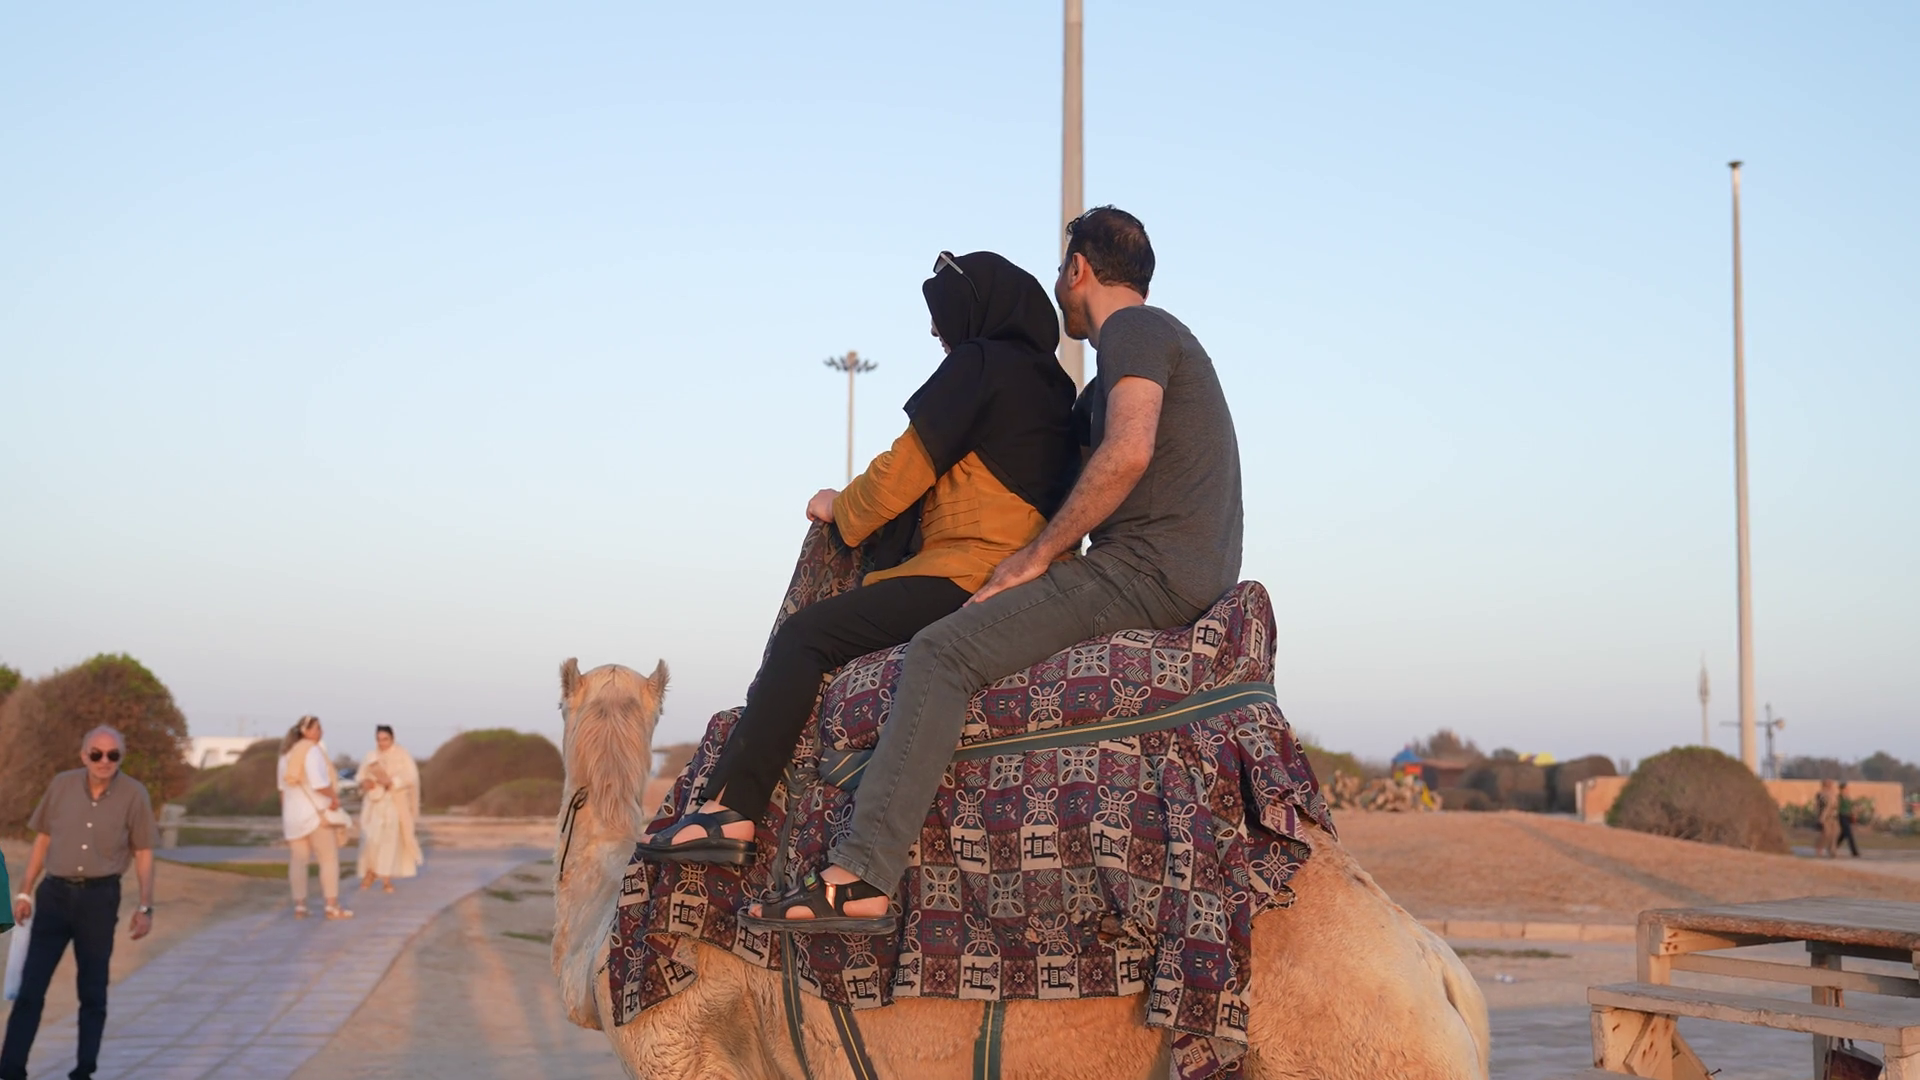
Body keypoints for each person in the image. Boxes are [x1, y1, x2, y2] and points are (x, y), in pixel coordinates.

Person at [746, 207, 1243, 932]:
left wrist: (1034, 559)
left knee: (945, 651)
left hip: (1144, 571)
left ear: (1078, 269)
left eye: (1060, 268)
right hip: (1173, 565)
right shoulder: (1101, 383)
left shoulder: (1135, 331)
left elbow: (1129, 451)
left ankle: (859, 877)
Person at [639, 251, 1078, 867]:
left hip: (967, 574)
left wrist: (838, 506)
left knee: (805, 637)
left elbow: (902, 472)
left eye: (942, 321)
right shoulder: (1057, 387)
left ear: (973, 315)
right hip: (1037, 587)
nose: (936, 336)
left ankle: (732, 811)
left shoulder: (983, 365)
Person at [2, 726, 157, 1080]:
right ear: (83, 754)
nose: (104, 761)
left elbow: (144, 851)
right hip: (54, 897)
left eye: (113, 755)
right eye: (97, 754)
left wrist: (146, 906)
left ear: (122, 756)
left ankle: (83, 1070)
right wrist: (25, 890)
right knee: (30, 989)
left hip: (99, 901)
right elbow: (43, 839)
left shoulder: (134, 794)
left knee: (92, 992)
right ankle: (10, 1070)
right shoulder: (61, 785)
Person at [278, 716, 353, 920]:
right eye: (317, 728)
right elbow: (319, 783)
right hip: (314, 815)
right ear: (307, 731)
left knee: (298, 861)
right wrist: (333, 797)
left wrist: (287, 815)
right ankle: (331, 906)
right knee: (328, 858)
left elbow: (282, 790)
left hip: (293, 816)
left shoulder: (285, 756)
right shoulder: (312, 751)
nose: (320, 732)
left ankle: (300, 906)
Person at [356, 725, 423, 892]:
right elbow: (360, 776)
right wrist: (365, 783)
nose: (382, 743)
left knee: (390, 840)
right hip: (374, 803)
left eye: (385, 739)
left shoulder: (402, 755)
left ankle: (386, 878)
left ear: (392, 738)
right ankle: (370, 872)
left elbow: (411, 777)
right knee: (371, 839)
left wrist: (393, 782)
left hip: (394, 802)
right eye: (379, 739)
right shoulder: (371, 756)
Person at [1815, 778, 1840, 858]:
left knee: (1835, 834)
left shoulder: (1833, 794)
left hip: (1833, 816)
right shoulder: (1821, 794)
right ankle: (1819, 847)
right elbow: (1822, 806)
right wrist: (1821, 817)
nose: (1831, 786)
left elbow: (1835, 805)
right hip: (1826, 817)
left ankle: (1832, 851)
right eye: (1829, 784)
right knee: (1826, 833)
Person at [1836, 781, 1861, 858]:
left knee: (1843, 834)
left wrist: (1853, 814)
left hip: (1848, 816)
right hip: (1842, 815)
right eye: (1846, 788)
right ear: (1842, 789)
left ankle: (1834, 846)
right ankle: (1854, 852)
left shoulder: (1848, 798)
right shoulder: (1839, 797)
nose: (1847, 790)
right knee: (1849, 834)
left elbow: (1850, 807)